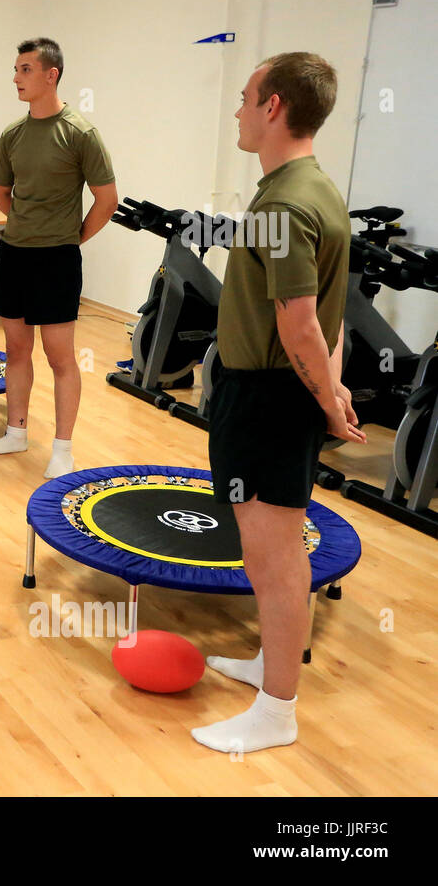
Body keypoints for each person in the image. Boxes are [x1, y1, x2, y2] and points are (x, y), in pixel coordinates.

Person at [191, 53, 362, 755]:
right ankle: (271, 665)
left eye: (244, 97)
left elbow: (300, 324)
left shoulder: (288, 204)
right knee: (270, 550)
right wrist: (335, 384)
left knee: (273, 556)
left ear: (273, 108)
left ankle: (276, 712)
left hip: (266, 398)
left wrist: (326, 402)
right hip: (266, 390)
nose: (236, 110)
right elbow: (333, 313)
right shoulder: (309, 187)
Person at [0, 37, 118, 477]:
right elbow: (0, 193)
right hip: (13, 253)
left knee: (59, 357)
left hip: (57, 259)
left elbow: (107, 199)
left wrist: (70, 239)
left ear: (50, 75)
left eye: (25, 70)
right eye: (16, 70)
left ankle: (62, 448)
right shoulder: (12, 134)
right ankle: (15, 433)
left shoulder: (80, 133)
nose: (16, 78)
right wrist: (27, 224)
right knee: (16, 349)